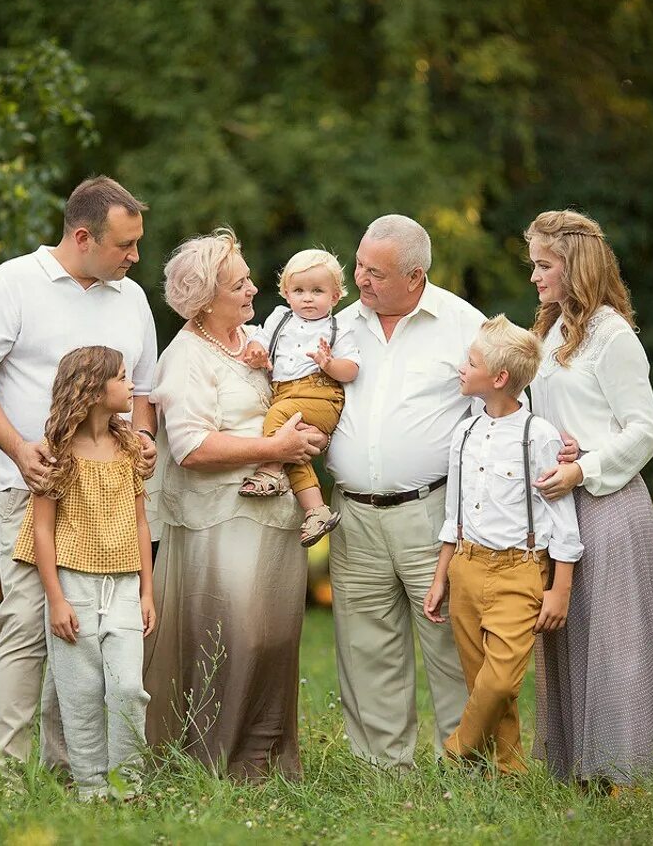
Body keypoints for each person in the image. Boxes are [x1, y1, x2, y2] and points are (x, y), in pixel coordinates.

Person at [0, 176, 159, 768]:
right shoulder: (12, 284)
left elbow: (142, 392)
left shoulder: (132, 299)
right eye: (125, 245)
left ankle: (74, 769)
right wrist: (19, 448)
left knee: (96, 638)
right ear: (83, 235)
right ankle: (4, 773)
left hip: (112, 499)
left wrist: (142, 439)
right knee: (27, 626)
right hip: (33, 486)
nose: (135, 256)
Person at [143, 228, 325, 781]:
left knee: (275, 635)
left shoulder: (252, 339)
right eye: (238, 284)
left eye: (248, 280)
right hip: (220, 517)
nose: (252, 290)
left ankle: (266, 759)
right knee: (233, 635)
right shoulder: (186, 357)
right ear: (204, 299)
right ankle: (211, 760)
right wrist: (276, 447)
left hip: (276, 514)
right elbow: (193, 446)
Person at [524, 209, 653, 787]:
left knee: (612, 638)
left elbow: (644, 431)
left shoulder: (612, 335)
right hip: (558, 508)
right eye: (534, 266)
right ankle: (577, 766)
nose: (535, 277)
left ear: (576, 266)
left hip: (608, 505)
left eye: (544, 265)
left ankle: (624, 769)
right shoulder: (546, 333)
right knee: (564, 634)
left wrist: (585, 469)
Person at [324, 214, 485, 770]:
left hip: (434, 513)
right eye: (359, 265)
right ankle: (383, 770)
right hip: (353, 515)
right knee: (367, 648)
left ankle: (467, 765)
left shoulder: (464, 325)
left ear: (415, 277)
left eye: (376, 272)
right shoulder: (338, 325)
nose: (360, 279)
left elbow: (501, 419)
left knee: (449, 644)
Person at [421, 315, 583, 774]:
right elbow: (453, 516)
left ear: (498, 378)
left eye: (469, 362)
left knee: (499, 680)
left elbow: (562, 519)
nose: (461, 367)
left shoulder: (540, 435)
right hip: (466, 569)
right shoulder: (465, 432)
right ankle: (510, 774)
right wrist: (440, 579)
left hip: (520, 571)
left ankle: (457, 750)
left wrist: (560, 588)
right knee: (484, 684)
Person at [11, 346, 155, 800]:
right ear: (94, 390)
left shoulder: (130, 446)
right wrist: (56, 599)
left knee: (129, 687)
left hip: (126, 585)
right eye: (122, 378)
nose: (132, 386)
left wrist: (148, 592)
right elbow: (42, 530)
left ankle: (125, 783)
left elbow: (139, 522)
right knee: (80, 692)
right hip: (74, 585)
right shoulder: (56, 453)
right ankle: (92, 788)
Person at [239, 249, 361, 547]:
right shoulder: (280, 317)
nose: (307, 298)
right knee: (293, 452)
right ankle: (316, 510)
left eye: (317, 291)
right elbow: (261, 338)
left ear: (335, 297)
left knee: (278, 418)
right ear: (286, 293)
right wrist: (256, 349)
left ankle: (269, 469)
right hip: (285, 393)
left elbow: (352, 369)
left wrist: (329, 363)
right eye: (299, 291)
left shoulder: (338, 328)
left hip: (319, 396)